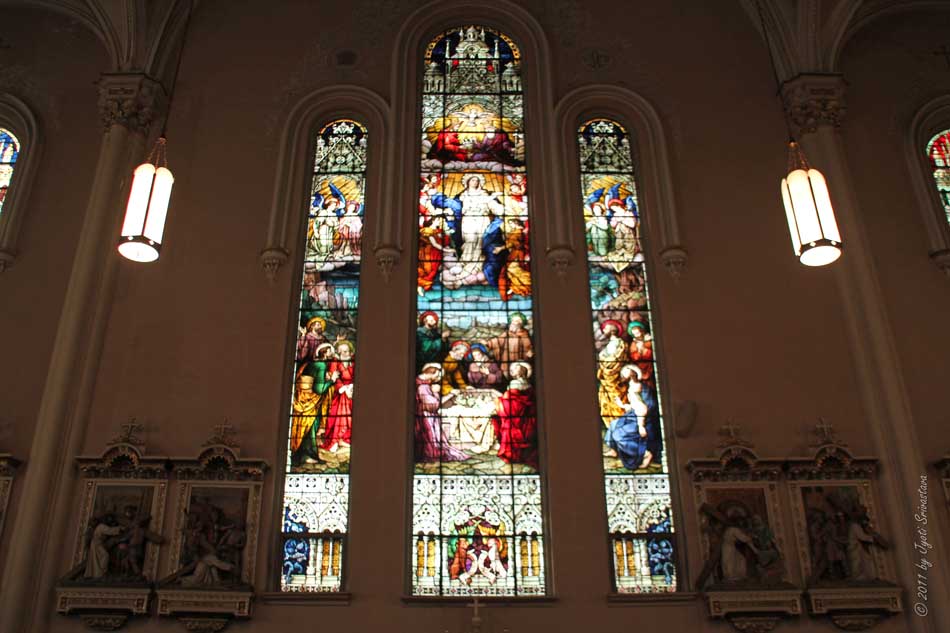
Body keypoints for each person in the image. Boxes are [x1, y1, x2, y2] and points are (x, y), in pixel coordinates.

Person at [604, 364, 662, 470]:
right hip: (633, 414)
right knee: (613, 424)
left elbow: (644, 408)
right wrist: (622, 405)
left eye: (626, 371)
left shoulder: (640, 388)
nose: (623, 374)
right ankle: (614, 450)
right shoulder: (632, 386)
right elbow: (634, 406)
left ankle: (645, 453)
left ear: (632, 374)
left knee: (619, 435)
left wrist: (641, 425)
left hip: (642, 418)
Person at [414, 364, 468, 462]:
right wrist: (441, 393)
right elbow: (434, 405)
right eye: (438, 375)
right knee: (433, 441)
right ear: (431, 372)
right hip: (426, 418)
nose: (439, 378)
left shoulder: (422, 383)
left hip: (424, 416)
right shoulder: (423, 386)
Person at [492, 361, 538, 469]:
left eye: (516, 368)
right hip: (525, 416)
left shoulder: (515, 383)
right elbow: (524, 401)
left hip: (515, 416)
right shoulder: (528, 384)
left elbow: (511, 403)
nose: (512, 370)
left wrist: (498, 401)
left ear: (522, 371)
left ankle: (510, 454)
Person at [322, 340, 355, 453]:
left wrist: (351, 387)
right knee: (342, 406)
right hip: (340, 393)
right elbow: (334, 379)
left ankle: (345, 439)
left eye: (345, 351)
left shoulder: (353, 363)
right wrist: (344, 389)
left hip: (352, 390)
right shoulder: (335, 362)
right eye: (340, 351)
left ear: (351, 352)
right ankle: (336, 440)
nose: (343, 354)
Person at [596, 320, 628, 426]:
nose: (603, 330)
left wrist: (605, 361)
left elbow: (617, 359)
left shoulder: (619, 343)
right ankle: (613, 425)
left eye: (606, 328)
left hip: (615, 378)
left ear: (612, 330)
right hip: (606, 379)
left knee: (617, 400)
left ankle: (620, 424)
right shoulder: (610, 344)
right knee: (607, 401)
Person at [483, 312, 533, 378]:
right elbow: (498, 340)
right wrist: (488, 343)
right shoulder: (507, 333)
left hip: (518, 359)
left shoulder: (524, 334)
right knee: (505, 374)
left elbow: (528, 346)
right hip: (506, 359)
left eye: (518, 320)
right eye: (514, 321)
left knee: (517, 372)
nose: (515, 323)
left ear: (522, 323)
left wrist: (530, 351)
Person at [84, 514, 124, 579]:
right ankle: (102, 572)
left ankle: (98, 573)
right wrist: (120, 528)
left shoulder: (97, 527)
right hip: (97, 545)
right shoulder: (100, 527)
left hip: (96, 545)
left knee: (96, 559)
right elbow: (110, 530)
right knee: (105, 556)